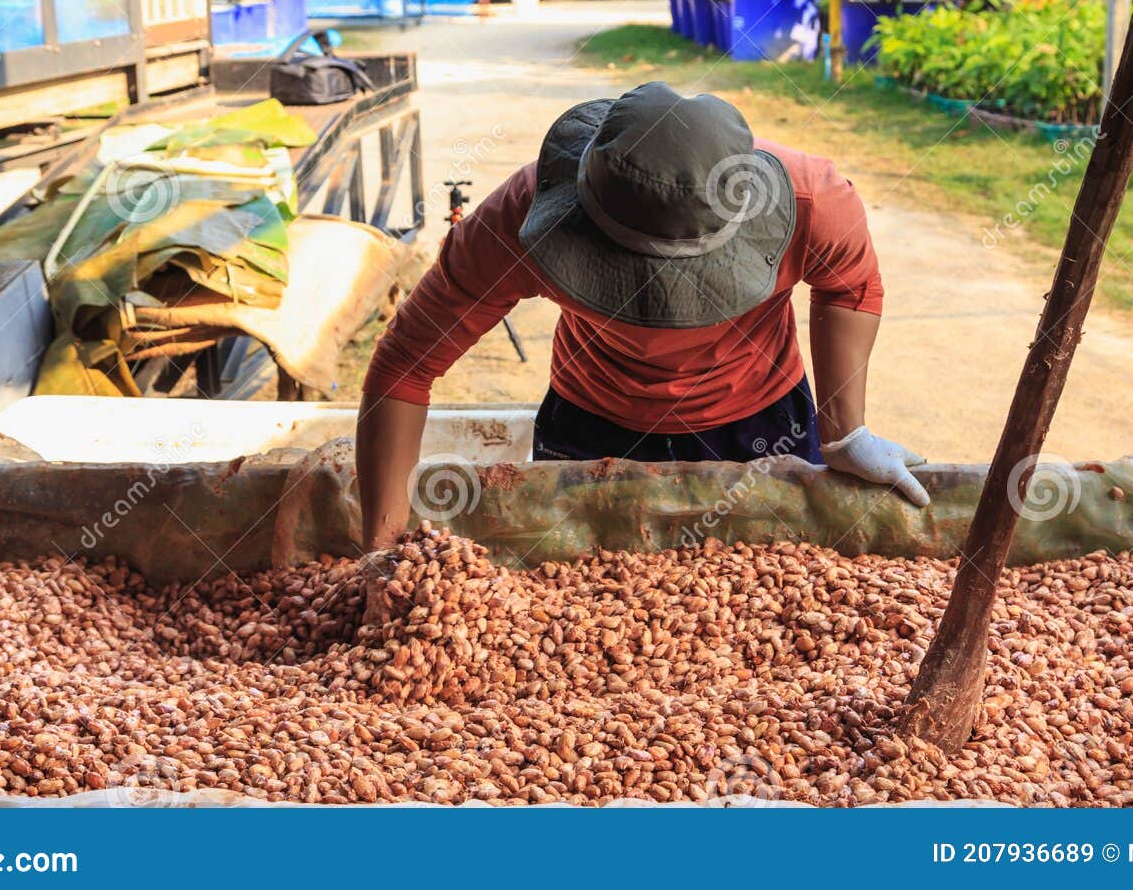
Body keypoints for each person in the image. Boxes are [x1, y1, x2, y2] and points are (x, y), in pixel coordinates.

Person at [356, 81, 928, 551]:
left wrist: (844, 430)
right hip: (592, 421)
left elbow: (850, 286)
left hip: (759, 422)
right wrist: (382, 550)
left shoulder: (814, 201)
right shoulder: (518, 220)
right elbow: (405, 366)